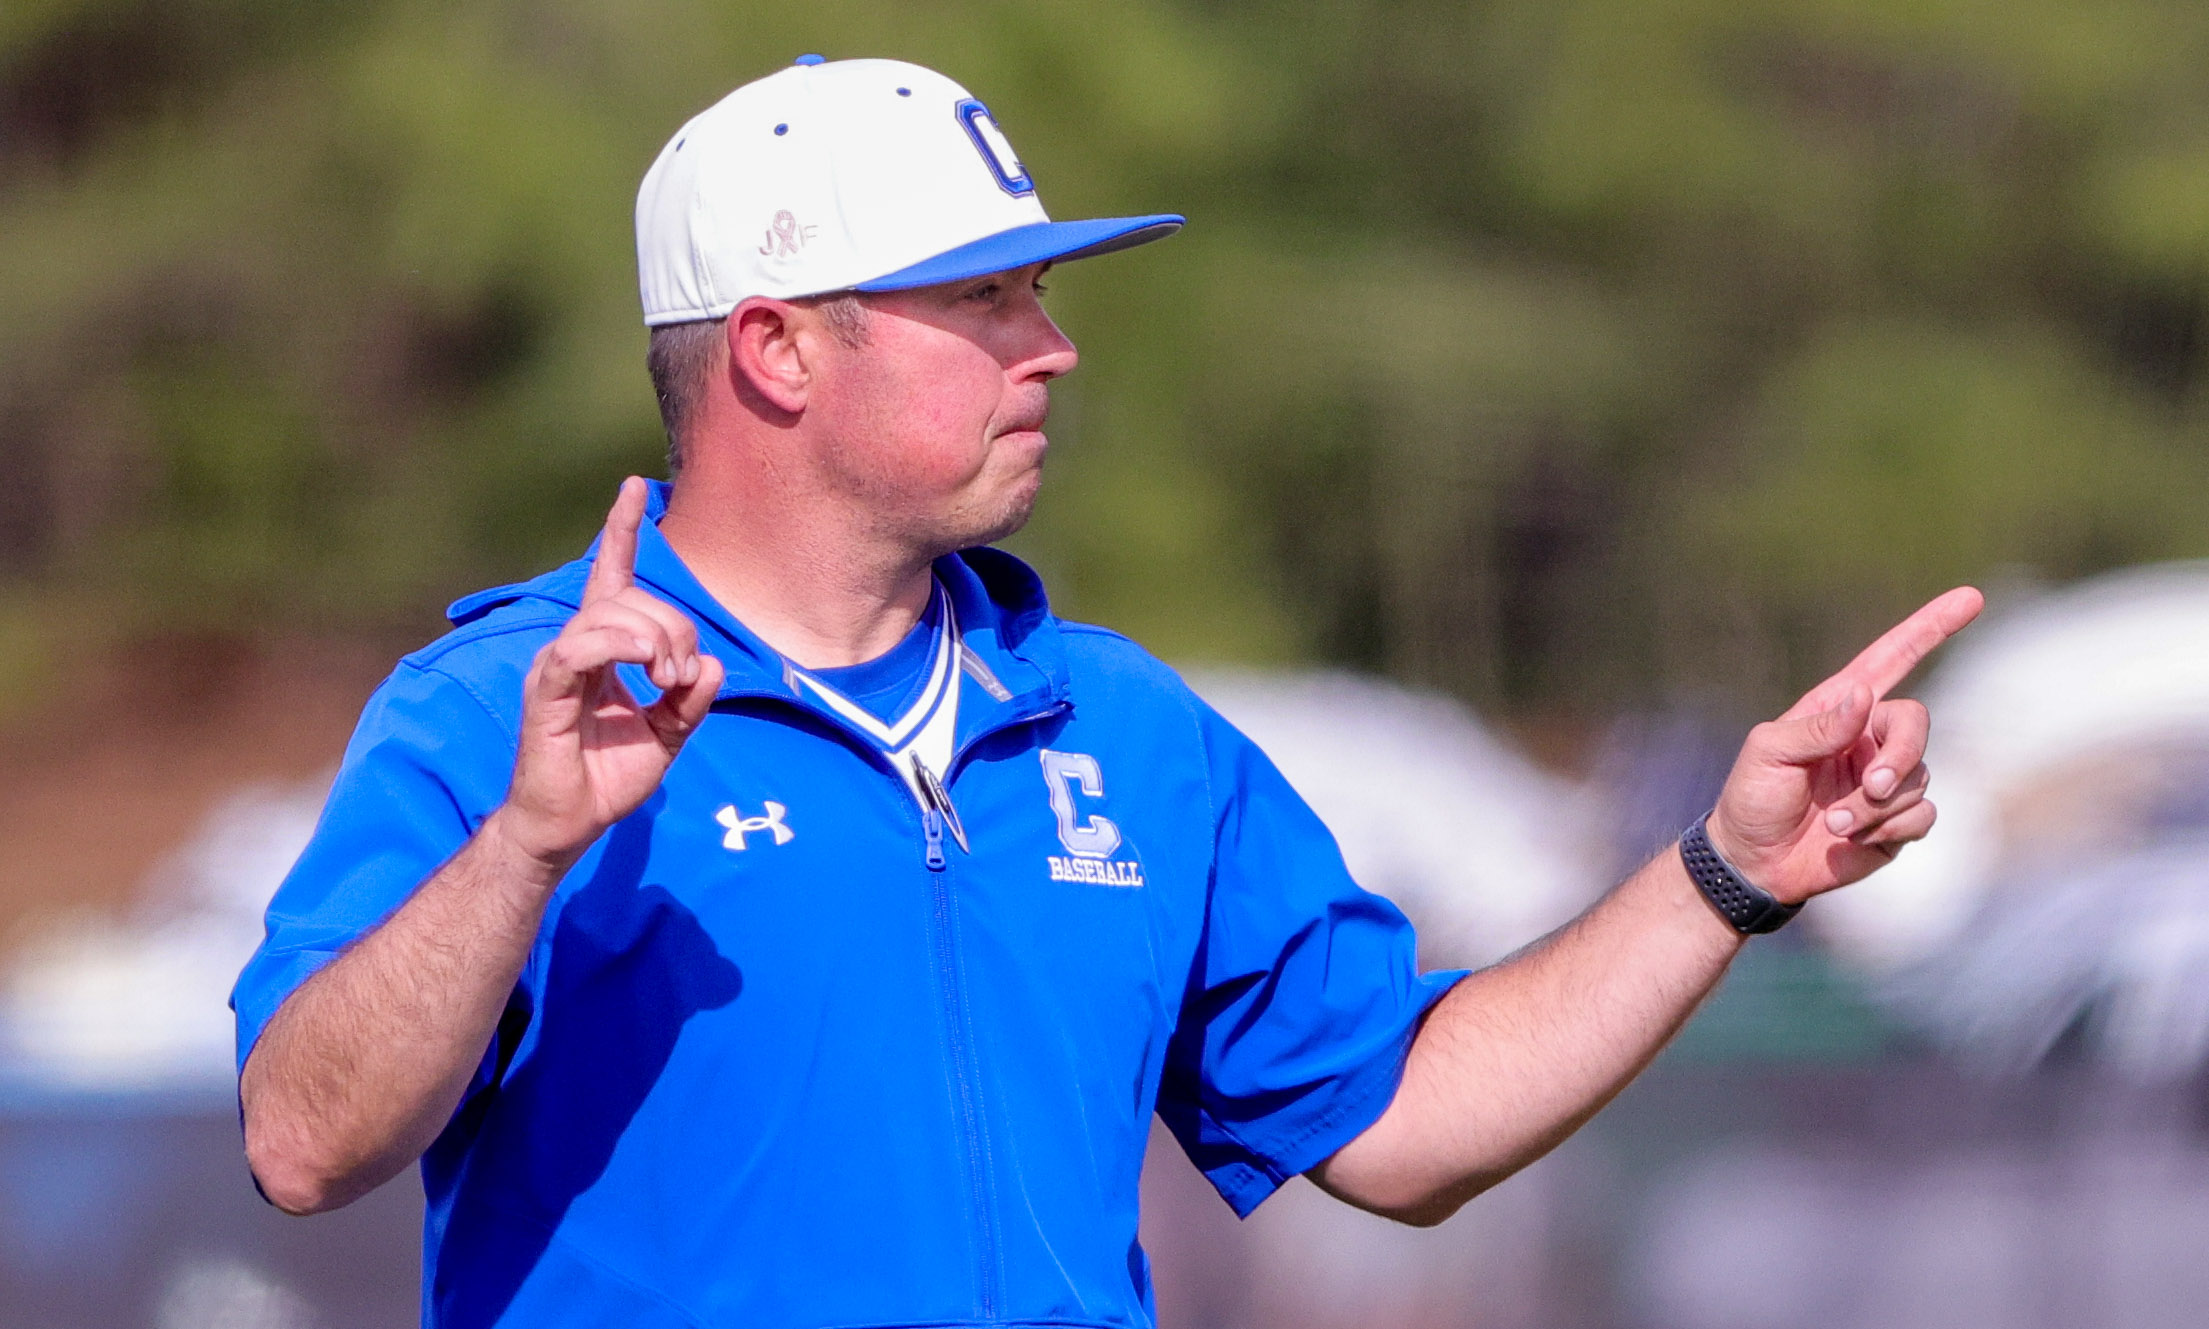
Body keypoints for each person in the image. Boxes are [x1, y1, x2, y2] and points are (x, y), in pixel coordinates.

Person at [232, 55, 1981, 1329]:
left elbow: (1399, 1127)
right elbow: (302, 1141)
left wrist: (1725, 873)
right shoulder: (503, 711)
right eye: (984, 299)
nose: (1052, 346)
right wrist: (526, 847)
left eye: (1041, 293)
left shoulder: (1128, 732)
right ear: (776, 348)